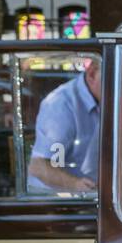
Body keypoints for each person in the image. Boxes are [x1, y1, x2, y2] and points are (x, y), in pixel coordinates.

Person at [28, 57, 100, 193]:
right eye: (115, 78)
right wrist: (77, 185)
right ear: (92, 74)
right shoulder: (61, 105)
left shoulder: (103, 100)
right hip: (58, 202)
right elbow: (41, 166)